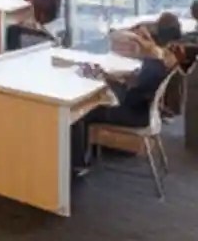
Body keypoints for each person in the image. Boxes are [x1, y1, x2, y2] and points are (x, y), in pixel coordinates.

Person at [70, 41, 176, 178]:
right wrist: (114, 79)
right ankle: (84, 156)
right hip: (145, 113)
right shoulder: (157, 67)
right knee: (102, 99)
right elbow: (136, 86)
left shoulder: (151, 68)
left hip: (135, 116)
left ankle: (78, 163)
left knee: (82, 112)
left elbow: (130, 98)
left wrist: (108, 83)